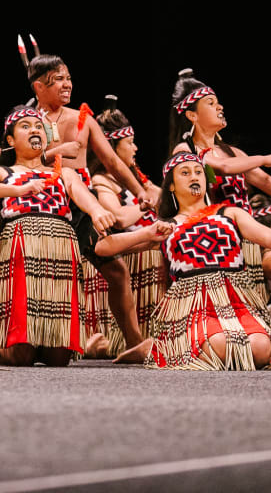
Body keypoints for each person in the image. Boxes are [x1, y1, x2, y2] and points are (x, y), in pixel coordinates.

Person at [119, 152, 271, 370]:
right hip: (194, 305)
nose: (194, 177)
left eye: (198, 172)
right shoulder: (167, 226)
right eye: (185, 173)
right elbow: (105, 247)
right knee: (218, 346)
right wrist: (143, 234)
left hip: (233, 301)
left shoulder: (230, 213)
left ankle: (165, 347)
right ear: (171, 186)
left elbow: (269, 237)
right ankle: (160, 347)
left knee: (262, 348)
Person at [26, 51, 160, 362]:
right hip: (44, 202)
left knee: (115, 270)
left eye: (68, 78)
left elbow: (112, 161)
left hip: (82, 203)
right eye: (57, 79)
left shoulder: (82, 120)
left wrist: (140, 192)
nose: (66, 84)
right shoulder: (26, 122)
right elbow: (13, 160)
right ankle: (37, 340)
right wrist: (53, 150)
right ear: (38, 87)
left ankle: (133, 342)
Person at [0, 106, 116, 366]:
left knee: (59, 358)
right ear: (10, 140)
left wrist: (98, 209)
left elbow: (81, 193)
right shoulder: (6, 173)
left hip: (60, 249)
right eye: (25, 126)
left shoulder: (61, 172)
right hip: (23, 246)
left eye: (38, 126)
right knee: (20, 355)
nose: (34, 130)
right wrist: (19, 190)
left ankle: (42, 343)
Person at [168, 68, 271, 303]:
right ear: (192, 115)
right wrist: (264, 159)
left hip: (247, 242)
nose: (220, 108)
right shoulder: (185, 151)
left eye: (218, 103)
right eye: (211, 103)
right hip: (213, 247)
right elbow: (221, 168)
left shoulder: (232, 152)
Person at [85, 100, 166, 357]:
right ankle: (127, 342)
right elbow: (118, 218)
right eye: (129, 142)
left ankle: (137, 341)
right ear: (111, 149)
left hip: (138, 247)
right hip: (117, 247)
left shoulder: (139, 179)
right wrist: (145, 206)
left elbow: (165, 201)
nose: (135, 147)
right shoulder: (100, 181)